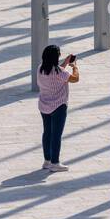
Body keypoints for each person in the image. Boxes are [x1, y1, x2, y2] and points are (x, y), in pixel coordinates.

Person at [37, 44, 79, 172]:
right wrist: (75, 66)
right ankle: (55, 163)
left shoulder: (40, 69)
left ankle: (47, 161)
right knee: (56, 135)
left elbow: (56, 72)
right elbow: (75, 79)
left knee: (47, 133)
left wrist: (65, 63)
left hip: (44, 105)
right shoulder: (60, 72)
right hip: (58, 106)